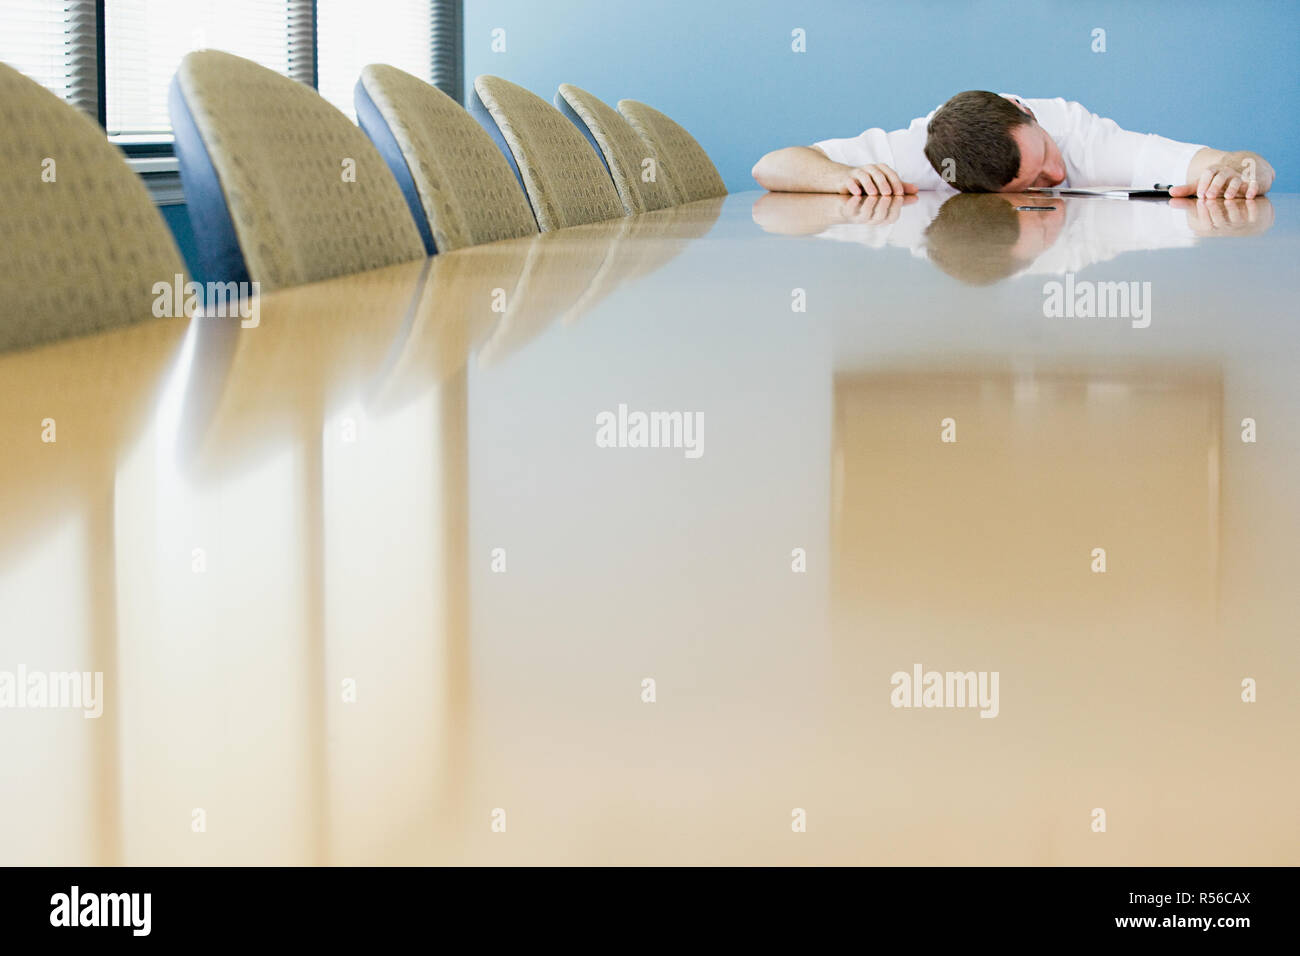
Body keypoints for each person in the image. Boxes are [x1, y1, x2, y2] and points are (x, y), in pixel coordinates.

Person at [752, 90, 1274, 199]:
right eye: (1033, 185)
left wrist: (1237, 174)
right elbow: (769, 167)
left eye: (1045, 158)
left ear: (1026, 111)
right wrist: (839, 176)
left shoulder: (1078, 136)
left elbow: (1249, 165)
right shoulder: (922, 152)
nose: (1057, 176)